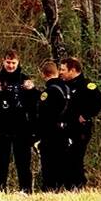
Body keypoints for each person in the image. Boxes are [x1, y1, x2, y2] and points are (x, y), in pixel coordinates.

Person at [0, 49, 37, 193]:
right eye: (8, 62)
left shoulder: (25, 80)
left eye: (13, 63)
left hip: (22, 128)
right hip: (1, 127)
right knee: (1, 163)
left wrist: (34, 132)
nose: (11, 66)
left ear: (18, 62)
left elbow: (34, 108)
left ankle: (26, 190)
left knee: (23, 163)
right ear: (3, 61)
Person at [58, 57, 101, 190]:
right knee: (65, 158)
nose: (60, 72)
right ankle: (68, 187)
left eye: (63, 70)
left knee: (76, 158)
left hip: (80, 130)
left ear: (72, 70)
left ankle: (78, 186)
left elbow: (100, 101)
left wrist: (86, 115)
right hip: (66, 128)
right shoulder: (64, 85)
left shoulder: (86, 85)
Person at [35, 61, 70, 193]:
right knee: (62, 163)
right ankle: (61, 189)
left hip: (50, 134)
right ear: (57, 73)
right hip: (65, 132)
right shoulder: (67, 89)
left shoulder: (48, 92)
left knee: (49, 165)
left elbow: (42, 116)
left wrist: (37, 135)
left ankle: (49, 190)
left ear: (44, 74)